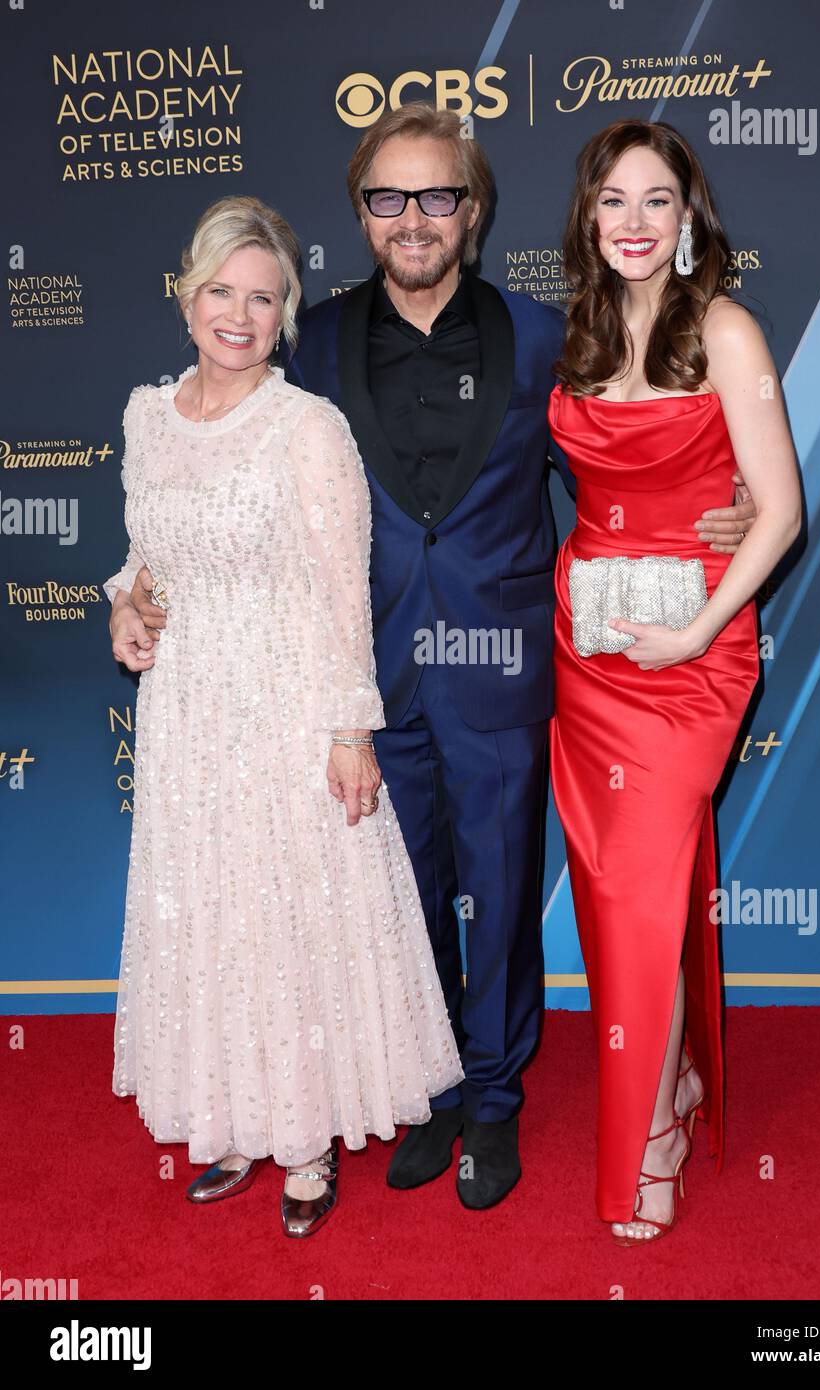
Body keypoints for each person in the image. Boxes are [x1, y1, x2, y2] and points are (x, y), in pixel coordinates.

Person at [121, 103, 757, 1211]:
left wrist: (730, 502)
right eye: (388, 198)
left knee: (502, 896)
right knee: (401, 896)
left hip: (502, 661)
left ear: (472, 209)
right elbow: (206, 479)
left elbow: (631, 448)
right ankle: (437, 1087)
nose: (413, 218)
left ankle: (499, 1099)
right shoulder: (304, 338)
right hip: (359, 679)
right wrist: (135, 590)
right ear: (362, 213)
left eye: (437, 196)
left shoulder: (546, 333)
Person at [103, 194, 463, 1238]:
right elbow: (145, 558)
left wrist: (351, 730)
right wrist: (124, 606)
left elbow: (344, 591)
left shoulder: (308, 427)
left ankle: (304, 1141)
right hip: (185, 717)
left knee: (286, 918)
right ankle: (230, 1123)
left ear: (284, 314)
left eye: (263, 298)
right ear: (186, 295)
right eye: (222, 290)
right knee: (208, 916)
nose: (240, 314)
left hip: (285, 707)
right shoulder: (145, 417)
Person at [548, 119, 801, 1244]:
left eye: (657, 201)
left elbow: (779, 511)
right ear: (588, 219)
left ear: (690, 216)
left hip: (694, 655)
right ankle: (679, 1080)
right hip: (592, 646)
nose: (635, 223)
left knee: (643, 895)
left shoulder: (729, 329)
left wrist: (699, 627)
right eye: (613, 201)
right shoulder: (578, 333)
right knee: (613, 893)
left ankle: (650, 1137)